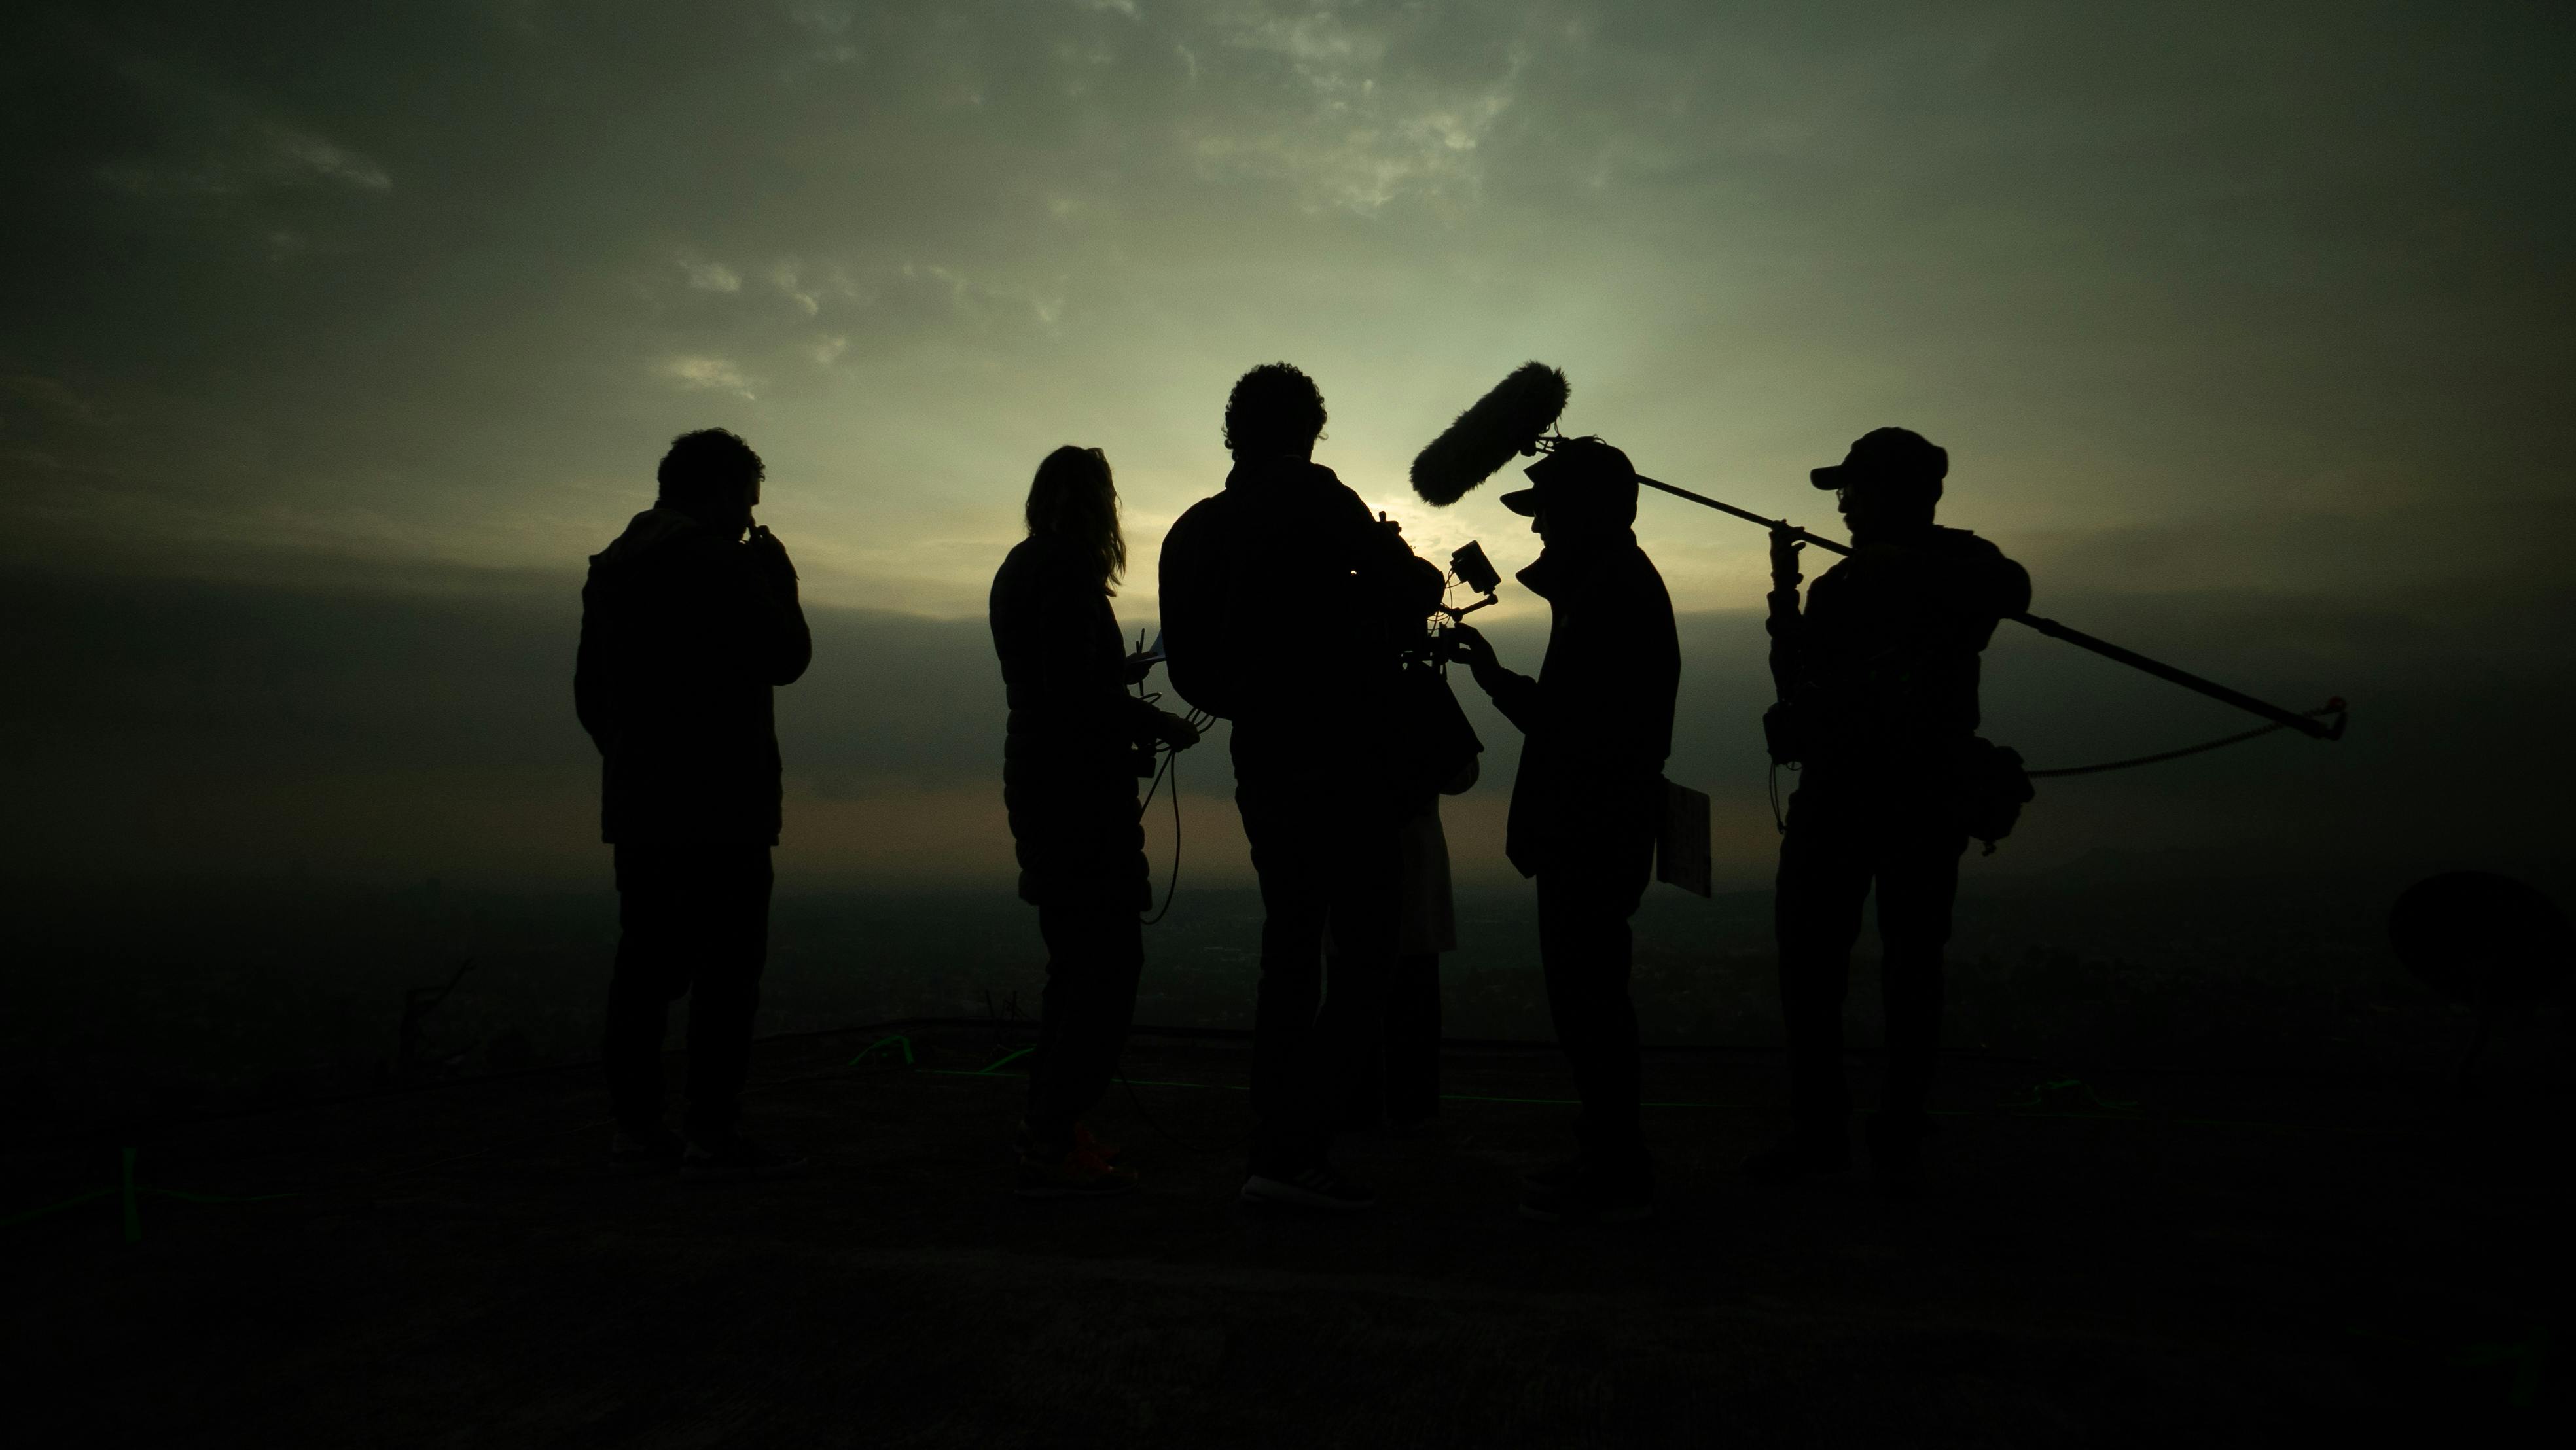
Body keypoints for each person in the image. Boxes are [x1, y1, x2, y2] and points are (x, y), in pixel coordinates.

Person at [1158, 362, 1444, 1211]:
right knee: (1367, 953)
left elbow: (1192, 671)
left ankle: (1274, 1137)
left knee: (1288, 950)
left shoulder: (1194, 531)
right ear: (1309, 432)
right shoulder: (1315, 497)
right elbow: (1415, 590)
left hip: (1263, 758)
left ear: (1233, 433)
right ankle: (1293, 1143)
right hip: (1346, 758)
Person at [1749, 427, 2031, 1190]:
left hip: (1914, 797)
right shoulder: (1837, 584)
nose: (1842, 505)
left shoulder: (1959, 560)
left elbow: (2012, 588)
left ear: (1897, 493)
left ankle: (1894, 1131)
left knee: (1907, 966)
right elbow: (1796, 678)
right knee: (1815, 965)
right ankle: (1829, 1131)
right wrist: (1783, 589)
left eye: (1853, 489)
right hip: (1838, 793)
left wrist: (1903, 566)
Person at [1448, 438, 1679, 1224]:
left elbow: (1572, 724)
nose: (1537, 526)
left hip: (1592, 826)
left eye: (1546, 510)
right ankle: (1606, 1154)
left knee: (1590, 1000)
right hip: (1598, 823)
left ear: (1584, 511)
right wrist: (1493, 675)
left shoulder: (1611, 594)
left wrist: (1491, 680)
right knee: (1589, 995)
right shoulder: (1612, 585)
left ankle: (1615, 1167)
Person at [575, 427, 812, 1182]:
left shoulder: (613, 569)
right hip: (724, 805)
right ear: (720, 493)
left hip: (642, 804)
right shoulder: (721, 565)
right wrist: (778, 579)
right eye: (747, 501)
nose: (750, 519)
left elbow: (590, 696)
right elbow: (788, 657)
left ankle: (635, 1126)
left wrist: (637, 759)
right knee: (726, 972)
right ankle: (711, 1130)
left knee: (645, 968)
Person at [989, 445, 1201, 1197]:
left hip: (1044, 782)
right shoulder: (1066, 572)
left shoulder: (1022, 566)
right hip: (1075, 793)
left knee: (1074, 966)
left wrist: (1116, 677)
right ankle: (1052, 1131)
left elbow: (1053, 678)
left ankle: (1049, 1125)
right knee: (1105, 968)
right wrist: (1158, 722)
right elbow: (1072, 694)